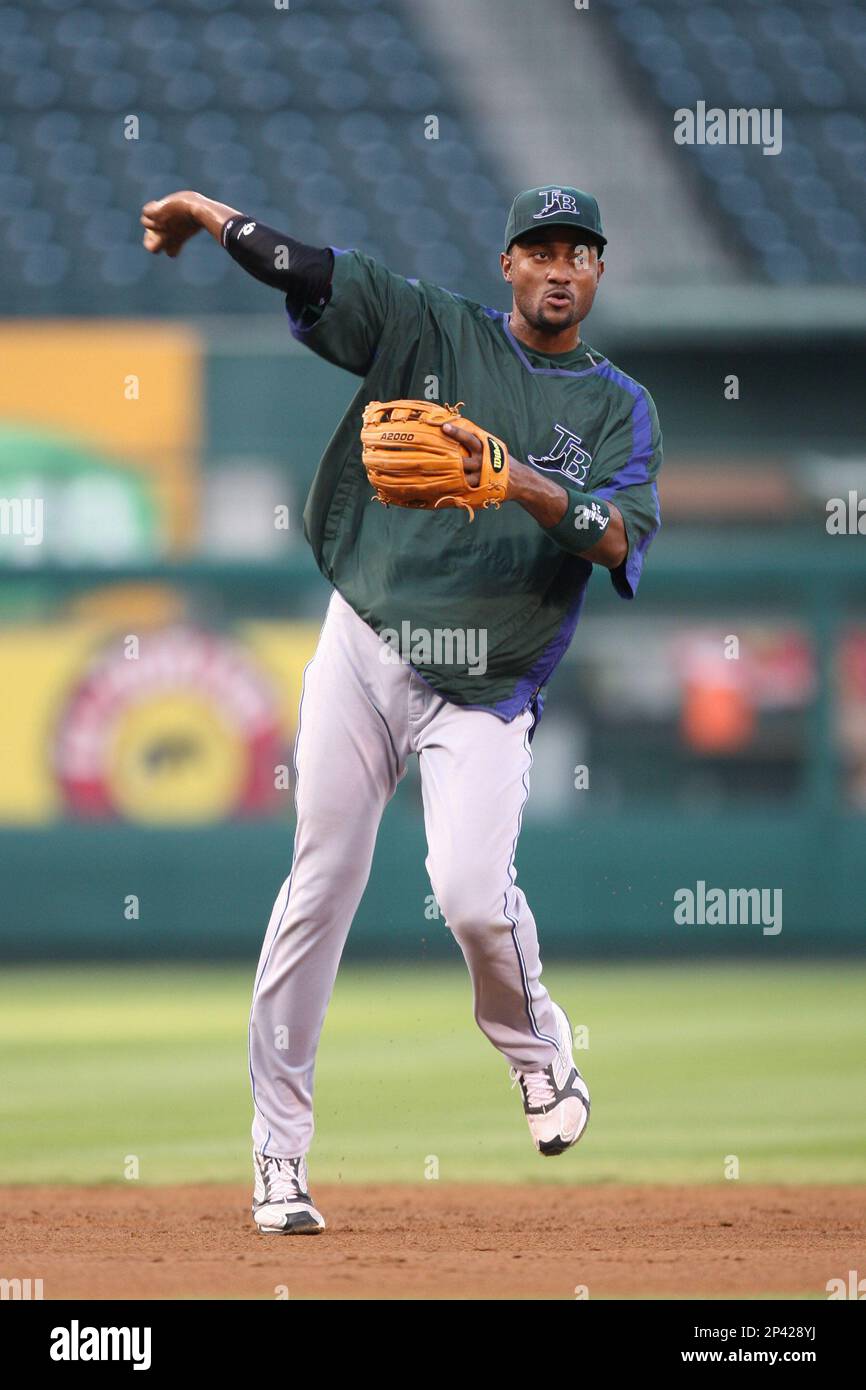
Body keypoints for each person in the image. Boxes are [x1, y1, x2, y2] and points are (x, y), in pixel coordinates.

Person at [141, 184, 662, 1235]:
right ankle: (276, 1162)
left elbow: (617, 536)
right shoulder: (429, 327)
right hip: (366, 641)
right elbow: (314, 272)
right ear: (506, 263)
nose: (558, 267)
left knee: (470, 894)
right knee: (316, 889)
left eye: (578, 252)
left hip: (488, 683)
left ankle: (537, 1053)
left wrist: (515, 480)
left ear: (598, 273)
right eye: (539, 249)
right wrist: (207, 213)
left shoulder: (619, 407)